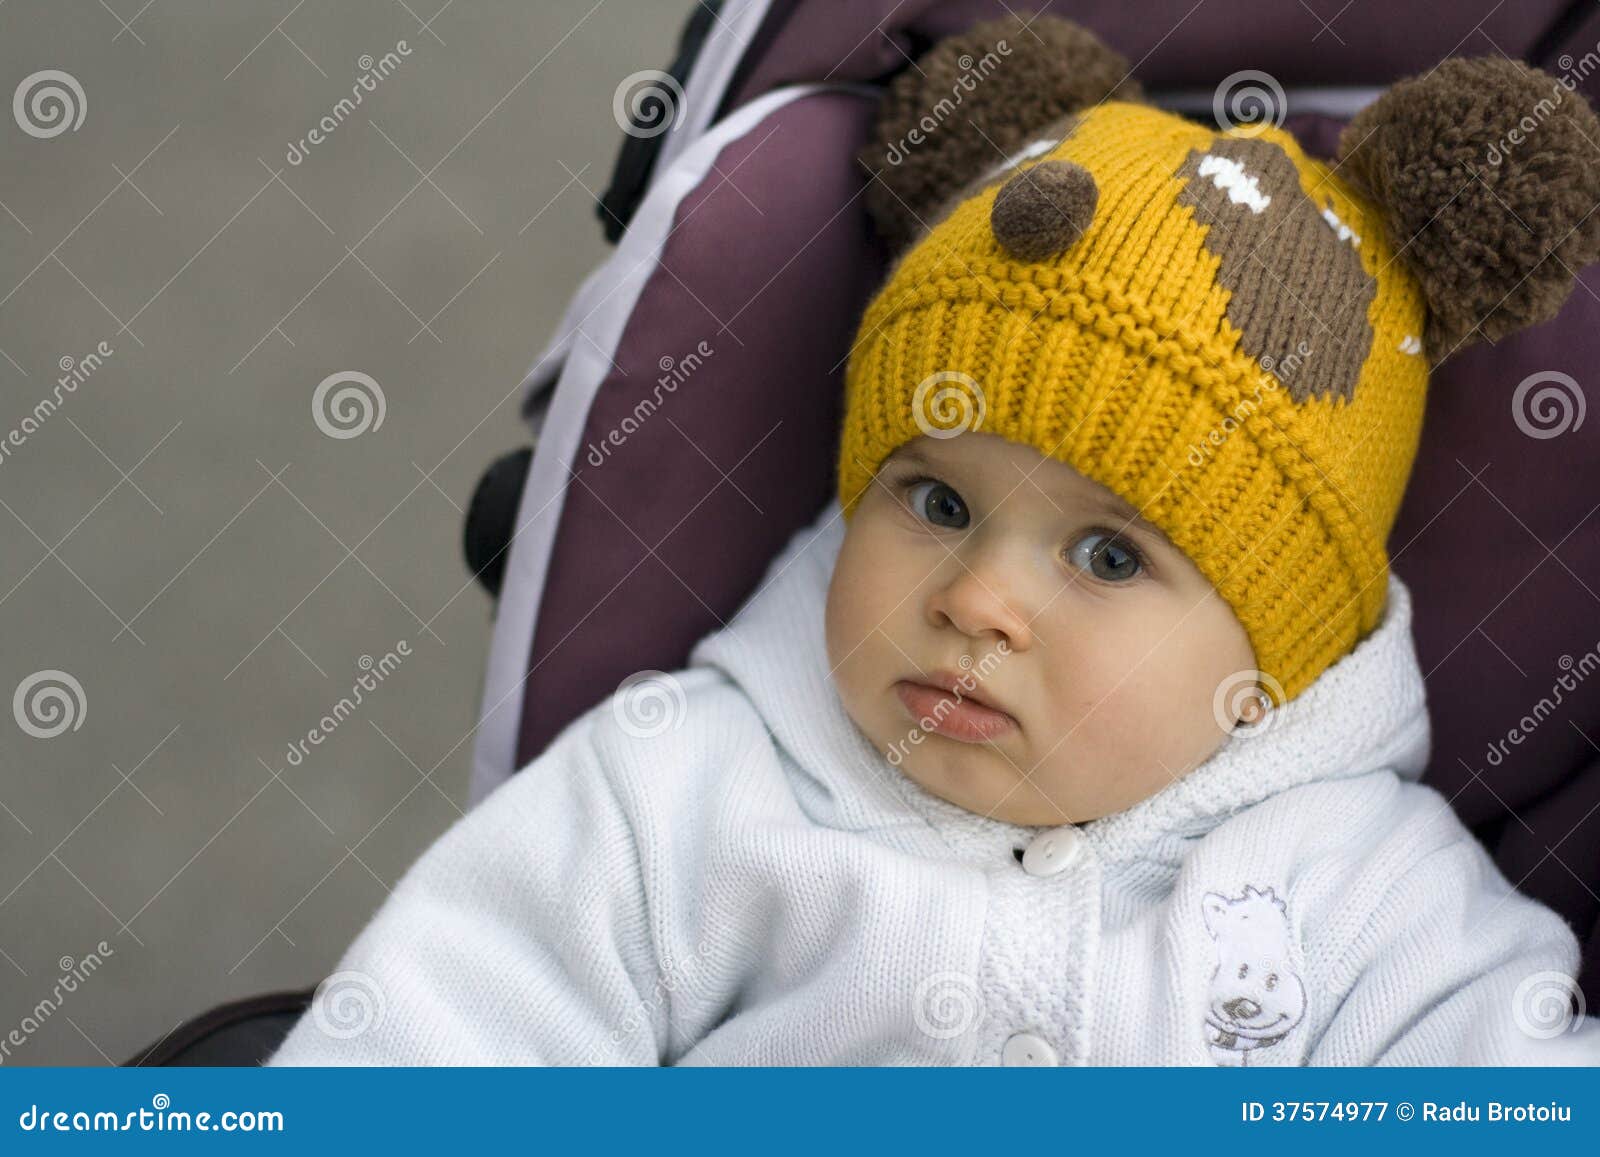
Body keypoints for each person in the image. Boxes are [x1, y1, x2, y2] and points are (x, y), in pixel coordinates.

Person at [269, 16, 1600, 1065]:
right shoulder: (687, 793)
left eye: (1111, 557)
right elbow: (440, 1039)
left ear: (1280, 649)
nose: (979, 602)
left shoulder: (1367, 906)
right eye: (939, 504)